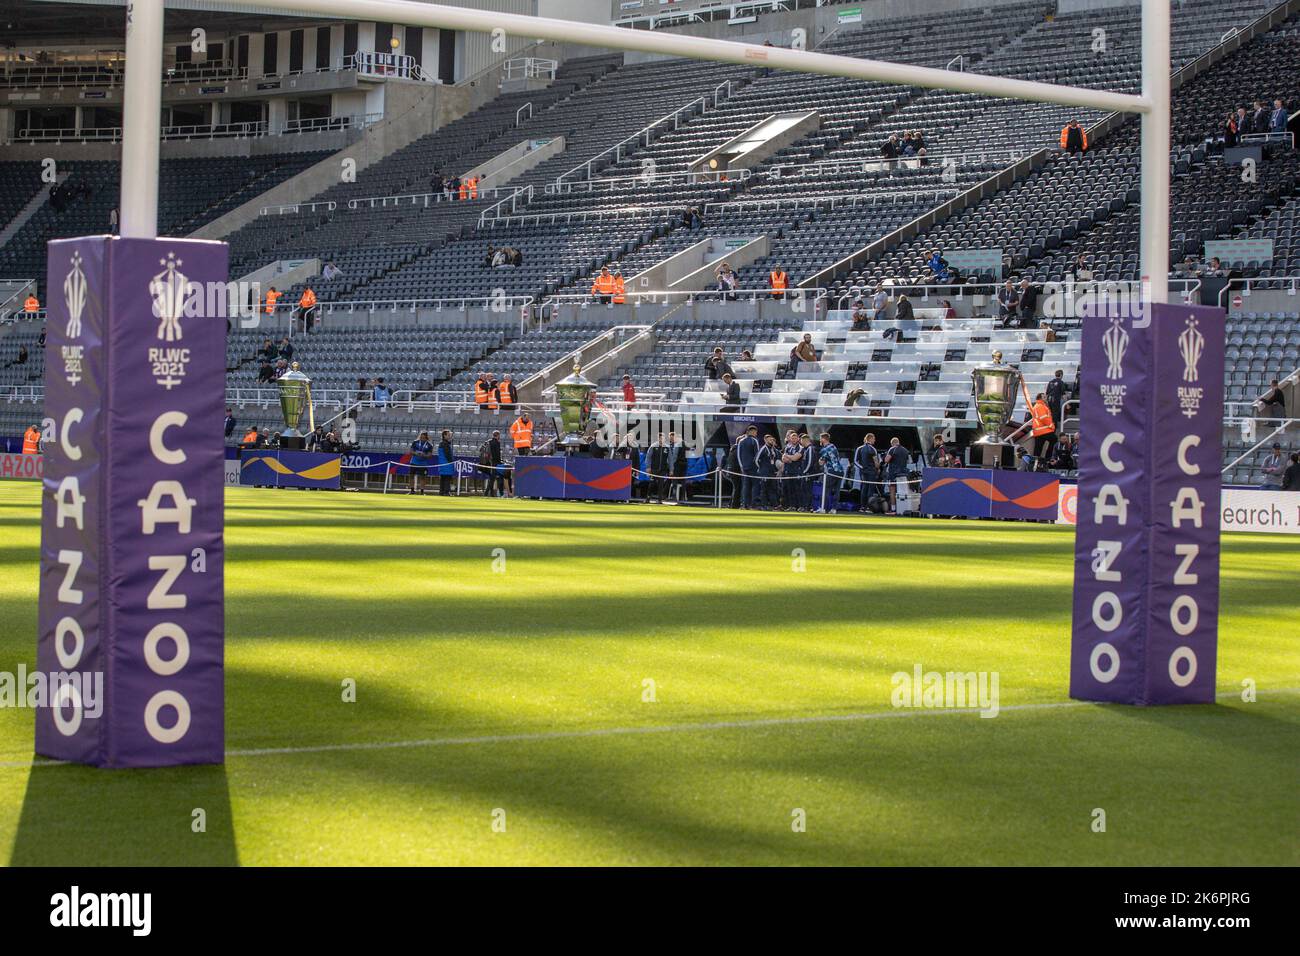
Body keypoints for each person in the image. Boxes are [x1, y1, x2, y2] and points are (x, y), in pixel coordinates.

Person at [815, 433, 844, 514]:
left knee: (826, 490)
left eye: (821, 439)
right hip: (840, 470)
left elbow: (821, 462)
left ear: (824, 439)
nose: (820, 440)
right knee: (837, 491)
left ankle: (823, 508)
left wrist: (820, 461)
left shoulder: (824, 449)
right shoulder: (833, 446)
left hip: (832, 471)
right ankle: (834, 509)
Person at [736, 424, 761, 509]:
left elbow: (738, 455)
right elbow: (757, 455)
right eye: (756, 432)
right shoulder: (755, 440)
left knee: (745, 487)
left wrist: (741, 466)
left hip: (744, 467)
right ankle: (753, 504)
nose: (756, 433)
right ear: (753, 432)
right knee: (755, 486)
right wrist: (758, 466)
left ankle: (744, 504)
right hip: (754, 467)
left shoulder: (741, 441)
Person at [854, 432, 881, 511]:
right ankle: (869, 507)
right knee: (870, 489)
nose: (874, 441)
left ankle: (862, 507)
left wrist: (862, 467)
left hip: (863, 471)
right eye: (874, 439)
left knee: (864, 488)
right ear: (870, 439)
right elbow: (876, 463)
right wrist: (878, 468)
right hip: (871, 471)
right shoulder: (873, 449)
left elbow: (855, 461)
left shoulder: (859, 448)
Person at [884, 437, 910, 512]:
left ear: (892, 443)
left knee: (892, 490)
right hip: (903, 474)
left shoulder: (892, 449)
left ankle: (893, 509)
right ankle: (903, 508)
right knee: (903, 492)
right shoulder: (905, 450)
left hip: (893, 473)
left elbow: (886, 460)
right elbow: (909, 461)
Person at [1030, 392, 1056, 462]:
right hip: (1043, 430)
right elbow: (1043, 418)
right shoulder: (1040, 406)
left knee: (1038, 449)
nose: (1046, 398)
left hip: (1039, 431)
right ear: (1040, 398)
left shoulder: (1038, 405)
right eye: (1044, 397)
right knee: (1054, 439)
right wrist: (1051, 426)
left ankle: (1035, 463)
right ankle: (1048, 458)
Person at [647, 433, 671, 504]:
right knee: (652, 484)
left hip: (663, 469)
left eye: (662, 438)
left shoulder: (667, 447)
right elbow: (648, 457)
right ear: (658, 438)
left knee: (661, 484)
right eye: (660, 438)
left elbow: (670, 459)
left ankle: (660, 500)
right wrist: (648, 467)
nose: (661, 439)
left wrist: (671, 469)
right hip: (654, 469)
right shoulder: (653, 446)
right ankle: (648, 498)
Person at [483, 430, 505, 497]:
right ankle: (486, 493)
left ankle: (491, 494)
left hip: (488, 461)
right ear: (498, 435)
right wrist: (500, 461)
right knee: (493, 478)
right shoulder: (497, 442)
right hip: (495, 462)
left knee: (492, 478)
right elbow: (497, 454)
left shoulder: (489, 441)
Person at [437, 430, 456, 496]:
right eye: (448, 435)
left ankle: (441, 492)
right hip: (447, 464)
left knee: (443, 478)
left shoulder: (442, 443)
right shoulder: (445, 444)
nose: (450, 436)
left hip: (442, 464)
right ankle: (446, 492)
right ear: (444, 435)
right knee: (447, 478)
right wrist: (452, 462)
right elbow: (448, 455)